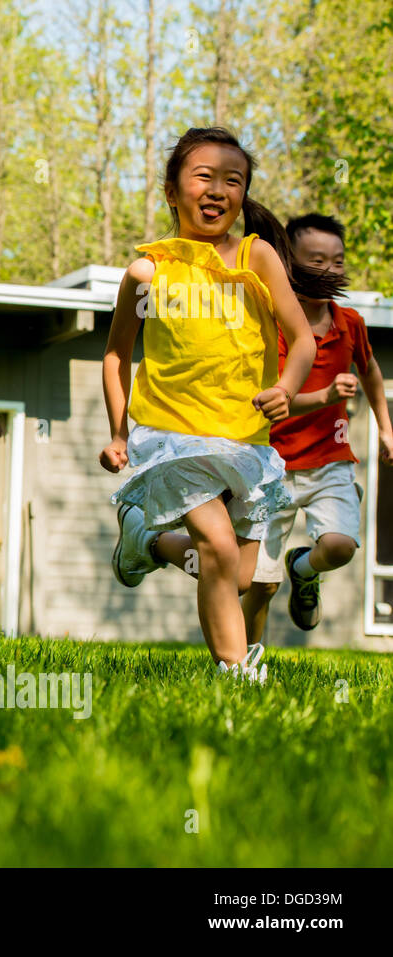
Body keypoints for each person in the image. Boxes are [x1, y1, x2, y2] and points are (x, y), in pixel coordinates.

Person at [102, 127, 343, 683]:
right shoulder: (148, 272)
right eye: (203, 177)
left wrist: (286, 386)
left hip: (244, 437)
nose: (217, 190)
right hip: (172, 434)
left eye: (232, 180)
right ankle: (237, 672)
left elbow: (302, 338)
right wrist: (119, 433)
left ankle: (149, 541)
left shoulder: (258, 259)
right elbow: (117, 356)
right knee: (214, 543)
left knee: (233, 574)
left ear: (243, 195)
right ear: (172, 190)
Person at [241, 214, 393, 638]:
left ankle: (303, 569)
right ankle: (246, 662)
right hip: (271, 467)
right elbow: (272, 405)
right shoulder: (271, 326)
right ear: (289, 264)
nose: (331, 270)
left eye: (339, 261)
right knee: (261, 583)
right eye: (318, 260)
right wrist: (325, 397)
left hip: (331, 461)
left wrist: (386, 427)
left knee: (340, 546)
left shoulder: (350, 323)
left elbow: (372, 371)